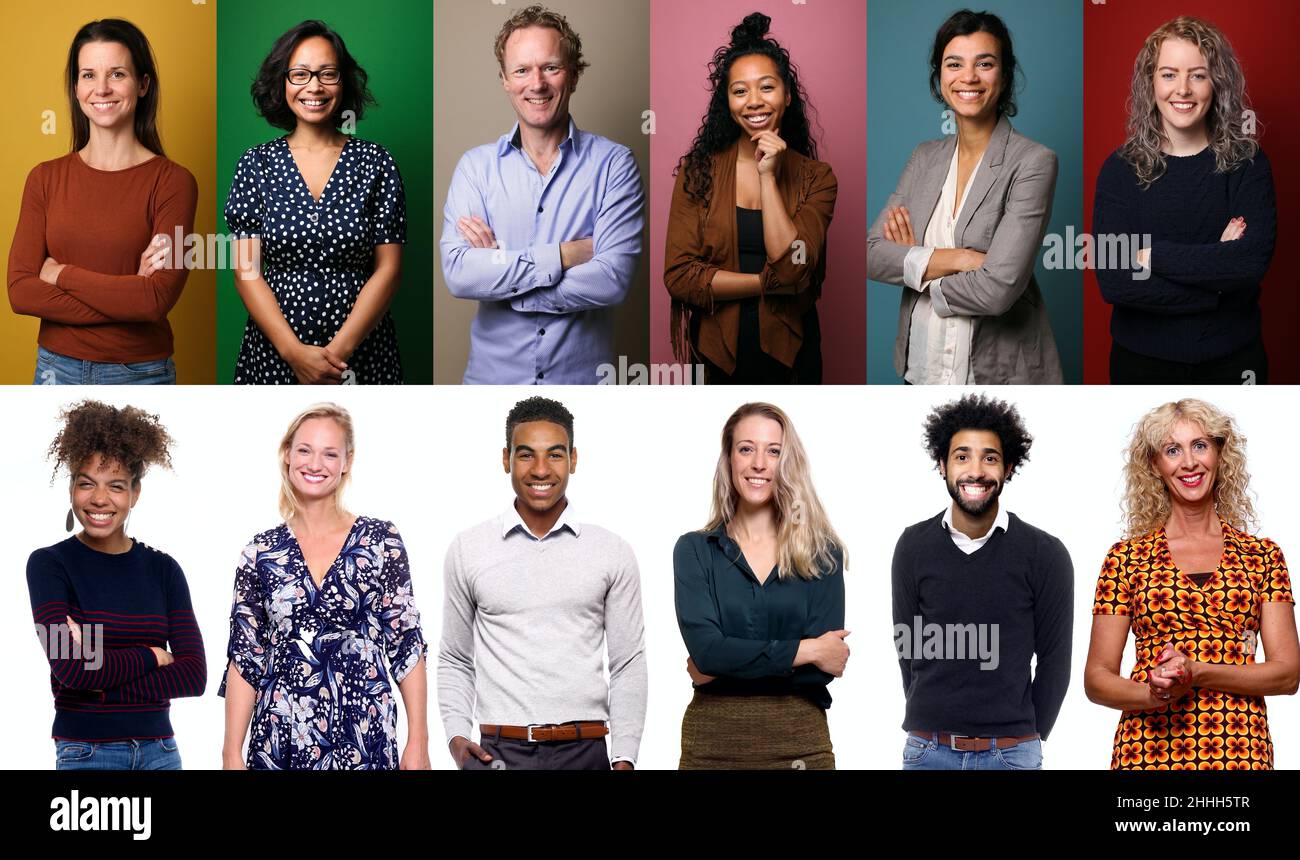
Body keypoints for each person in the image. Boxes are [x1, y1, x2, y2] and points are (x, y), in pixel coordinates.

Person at [1085, 400, 1297, 769]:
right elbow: (1097, 678)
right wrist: (1154, 696)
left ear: (1219, 453)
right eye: (1172, 450)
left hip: (1239, 749)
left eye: (1200, 445)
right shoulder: (1126, 558)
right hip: (1147, 750)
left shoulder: (1263, 556)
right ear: (1154, 464)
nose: (1189, 462)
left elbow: (1287, 673)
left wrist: (1198, 672)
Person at [439, 5, 644, 384]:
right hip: (490, 385)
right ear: (504, 79)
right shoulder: (475, 168)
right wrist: (566, 255)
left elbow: (612, 279)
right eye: (521, 70)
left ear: (575, 73)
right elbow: (460, 274)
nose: (537, 83)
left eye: (551, 67)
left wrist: (506, 279)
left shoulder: (615, 164)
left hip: (582, 385)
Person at [438, 397, 647, 769]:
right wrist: (456, 737)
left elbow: (627, 661)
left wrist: (625, 757)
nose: (540, 469)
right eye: (525, 455)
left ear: (573, 459)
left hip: (586, 750)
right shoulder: (468, 548)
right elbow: (455, 656)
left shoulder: (611, 551)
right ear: (506, 459)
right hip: (498, 752)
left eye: (554, 455)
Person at [219, 404, 429, 769]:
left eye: (329, 453)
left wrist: (419, 741)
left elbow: (406, 642)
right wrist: (230, 754)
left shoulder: (381, 541)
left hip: (364, 735)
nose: (315, 464)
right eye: (305, 450)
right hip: (281, 737)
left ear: (347, 461)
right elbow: (244, 657)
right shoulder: (261, 551)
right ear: (287, 454)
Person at [867, 9, 1061, 384]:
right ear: (939, 76)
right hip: (920, 366)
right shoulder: (923, 157)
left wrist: (914, 266)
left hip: (998, 374)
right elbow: (872, 254)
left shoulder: (1033, 162)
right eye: (954, 64)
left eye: (984, 63)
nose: (968, 77)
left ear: (1003, 76)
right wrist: (960, 258)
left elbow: (997, 290)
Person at [7, 19, 197, 385]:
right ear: (76, 88)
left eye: (117, 74)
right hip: (54, 369)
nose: (102, 88)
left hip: (141, 373)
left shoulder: (174, 182)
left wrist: (60, 274)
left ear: (142, 85)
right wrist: (128, 293)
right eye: (89, 75)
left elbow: (156, 300)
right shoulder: (44, 178)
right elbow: (21, 292)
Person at [892, 394, 1072, 769]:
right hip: (928, 752)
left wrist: (1026, 736)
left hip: (1012, 753)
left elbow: (1055, 661)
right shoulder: (913, 545)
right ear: (942, 465)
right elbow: (907, 647)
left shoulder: (1045, 553)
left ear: (1008, 468)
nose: (975, 471)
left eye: (989, 457)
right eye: (962, 457)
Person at [1093, 18, 1275, 384]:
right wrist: (1217, 284)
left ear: (1216, 82)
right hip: (1141, 363)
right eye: (1169, 74)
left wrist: (1150, 255)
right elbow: (1115, 281)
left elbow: (1249, 263)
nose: (1183, 90)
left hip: (1234, 361)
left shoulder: (1248, 164)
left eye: (1198, 75)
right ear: (1151, 82)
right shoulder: (1119, 169)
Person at [27, 401, 206, 769]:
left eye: (117, 486)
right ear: (71, 487)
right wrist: (153, 655)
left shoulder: (164, 570)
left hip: (162, 752)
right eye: (86, 483)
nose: (99, 499)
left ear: (135, 493)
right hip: (87, 753)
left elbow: (193, 675)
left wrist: (100, 679)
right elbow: (72, 671)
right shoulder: (50, 566)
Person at [225, 20, 406, 385]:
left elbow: (389, 269)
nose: (314, 86)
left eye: (327, 74)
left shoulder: (376, 161)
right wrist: (293, 353)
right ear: (283, 82)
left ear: (343, 83)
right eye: (300, 74)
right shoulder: (255, 164)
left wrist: (336, 355)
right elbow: (246, 270)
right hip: (274, 354)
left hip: (362, 355)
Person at [664, 13, 835, 385]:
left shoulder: (818, 178)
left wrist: (768, 177)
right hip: (715, 354)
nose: (754, 102)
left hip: (794, 355)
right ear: (727, 102)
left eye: (767, 88)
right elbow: (680, 277)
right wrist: (764, 283)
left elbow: (791, 266)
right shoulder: (698, 172)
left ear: (787, 95)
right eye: (740, 91)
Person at [674, 402, 847, 768]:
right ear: (729, 459)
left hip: (801, 749)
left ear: (788, 462)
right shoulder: (694, 550)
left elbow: (823, 668)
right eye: (746, 448)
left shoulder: (822, 553)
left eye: (773, 451)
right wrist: (807, 649)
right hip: (711, 750)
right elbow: (707, 652)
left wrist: (724, 665)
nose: (758, 464)